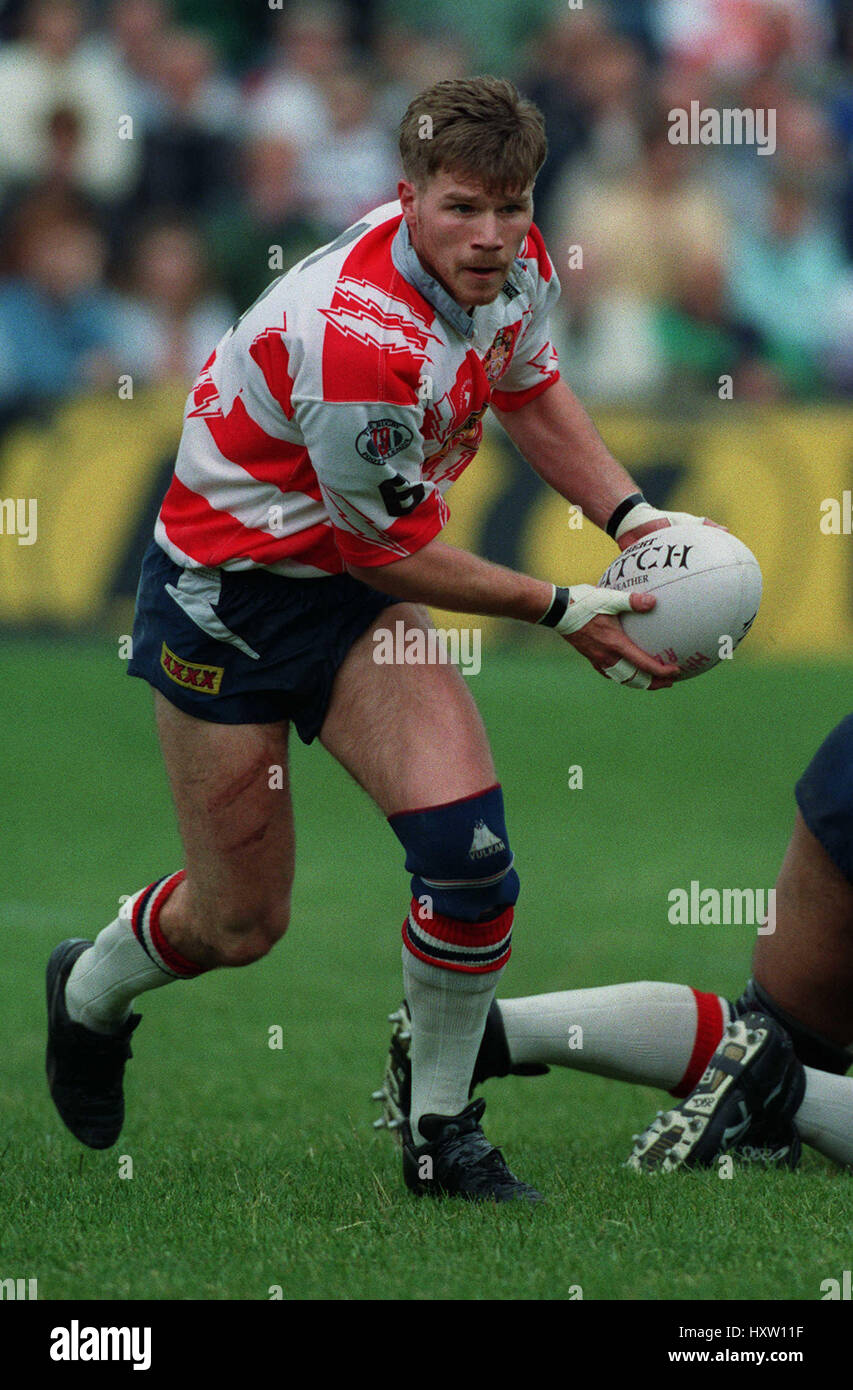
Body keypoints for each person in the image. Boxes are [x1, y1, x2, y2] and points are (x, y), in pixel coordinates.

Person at [45, 76, 716, 1205]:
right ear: (404, 196)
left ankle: (440, 1128)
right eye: (462, 208)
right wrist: (563, 609)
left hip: (353, 601)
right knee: (240, 921)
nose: (492, 236)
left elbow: (532, 388)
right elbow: (386, 556)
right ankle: (87, 991)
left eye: (511, 208)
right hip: (233, 604)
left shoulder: (516, 263)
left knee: (471, 861)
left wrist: (634, 519)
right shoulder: (356, 338)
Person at [375, 715, 853, 1174]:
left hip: (841, 771)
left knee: (776, 1035)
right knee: (782, 1057)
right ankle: (784, 1089)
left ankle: (486, 1032)